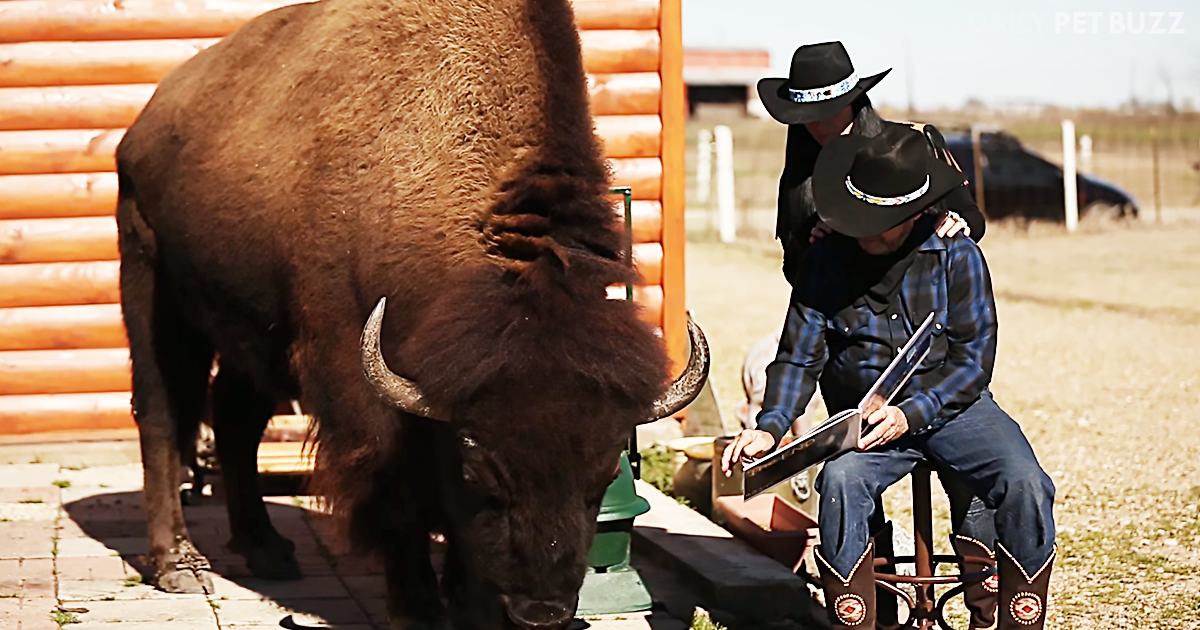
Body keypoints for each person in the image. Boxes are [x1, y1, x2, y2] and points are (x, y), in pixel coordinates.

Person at [721, 126, 1057, 630]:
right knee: (839, 482)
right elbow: (797, 356)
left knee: (1026, 482)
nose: (868, 232)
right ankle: (867, 621)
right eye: (861, 218)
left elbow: (972, 363)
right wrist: (769, 425)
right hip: (864, 419)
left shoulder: (958, 255)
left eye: (883, 222)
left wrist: (911, 413)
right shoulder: (824, 262)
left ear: (917, 214)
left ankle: (1005, 620)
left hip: (953, 408)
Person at [757, 41, 1000, 630]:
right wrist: (821, 256)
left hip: (918, 329)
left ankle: (988, 603)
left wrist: (950, 221)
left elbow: (968, 218)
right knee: (847, 479)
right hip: (842, 322)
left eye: (823, 112)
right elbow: (797, 257)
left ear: (852, 100)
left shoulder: (902, 146)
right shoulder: (800, 157)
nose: (813, 125)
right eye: (803, 116)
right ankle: (873, 610)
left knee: (987, 467)